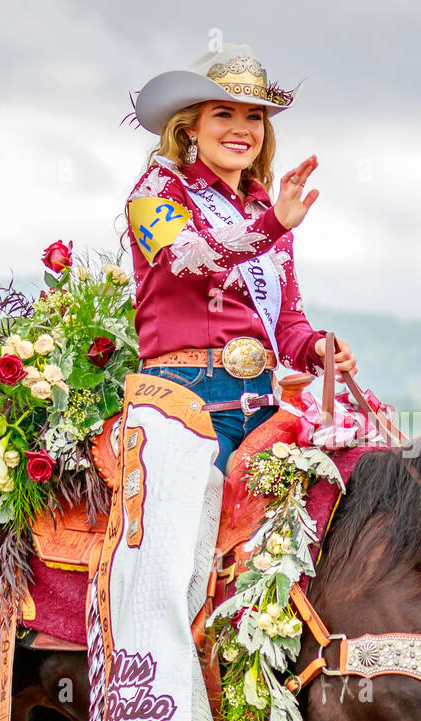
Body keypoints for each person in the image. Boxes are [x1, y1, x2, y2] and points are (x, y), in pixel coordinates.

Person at [128, 41, 357, 472]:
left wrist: (316, 347)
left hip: (266, 403)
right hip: (185, 398)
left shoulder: (262, 208)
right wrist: (273, 225)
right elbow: (186, 261)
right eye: (223, 114)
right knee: (192, 522)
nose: (242, 128)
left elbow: (285, 321)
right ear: (190, 126)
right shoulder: (155, 191)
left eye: (254, 117)